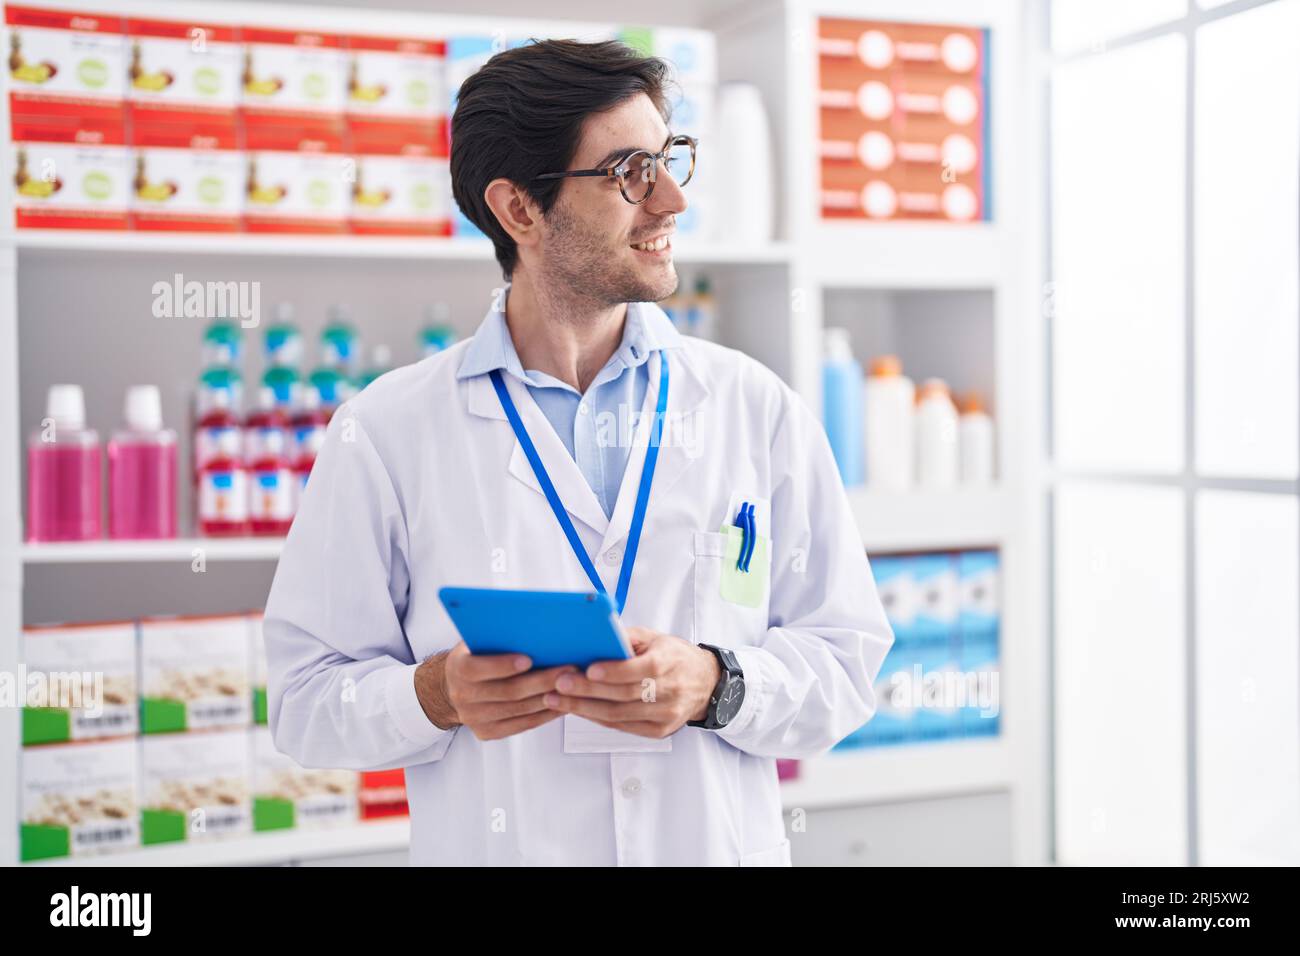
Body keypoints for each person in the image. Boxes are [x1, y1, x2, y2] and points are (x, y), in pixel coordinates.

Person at [263, 38, 893, 866]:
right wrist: (434, 694)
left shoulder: (754, 407)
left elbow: (847, 665)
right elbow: (304, 702)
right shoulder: (386, 431)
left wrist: (716, 683)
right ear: (520, 209)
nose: (670, 200)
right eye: (631, 171)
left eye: (671, 161)